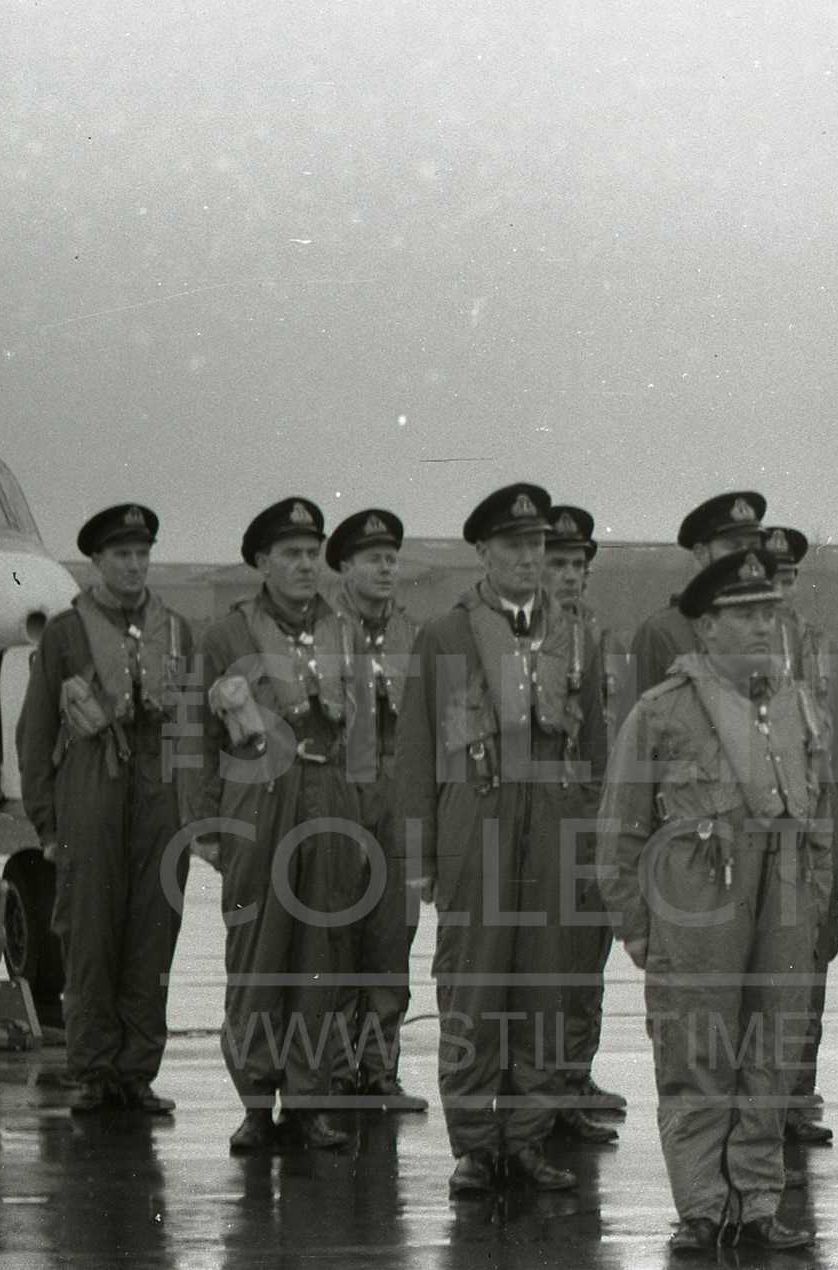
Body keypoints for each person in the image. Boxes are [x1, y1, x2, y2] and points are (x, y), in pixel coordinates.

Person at [599, 547, 832, 1254]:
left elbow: (823, 817)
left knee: (773, 1050)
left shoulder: (800, 709)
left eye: (769, 612)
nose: (764, 625)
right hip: (698, 912)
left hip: (783, 908)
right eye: (744, 615)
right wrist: (636, 929)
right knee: (697, 1052)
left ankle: (759, 1203)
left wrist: (815, 901)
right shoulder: (661, 712)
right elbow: (620, 829)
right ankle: (703, 1206)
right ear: (706, 628)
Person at [395, 483, 592, 1197]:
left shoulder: (576, 635)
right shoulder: (445, 637)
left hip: (552, 825)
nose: (528, 558)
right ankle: (477, 1146)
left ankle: (530, 1140)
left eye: (538, 545)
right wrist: (417, 856)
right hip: (472, 823)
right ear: (482, 552)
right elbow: (415, 753)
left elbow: (594, 746)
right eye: (513, 546)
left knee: (547, 987)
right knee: (473, 988)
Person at [195, 497, 362, 1155]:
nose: (303, 566)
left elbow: (369, 729)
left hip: (329, 796)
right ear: (262, 562)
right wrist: (205, 826)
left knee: (323, 955)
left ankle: (312, 1100)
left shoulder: (343, 631)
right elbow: (194, 738)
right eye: (289, 554)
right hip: (257, 804)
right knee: (258, 957)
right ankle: (258, 1103)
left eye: (310, 554)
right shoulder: (226, 636)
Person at [18, 504, 196, 1115]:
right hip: (91, 786)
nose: (134, 565)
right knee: (90, 932)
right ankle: (95, 1072)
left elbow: (193, 728)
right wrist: (46, 820)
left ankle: (137, 1072)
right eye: (122, 554)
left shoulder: (175, 630)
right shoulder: (67, 634)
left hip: (158, 792)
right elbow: (36, 728)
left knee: (154, 931)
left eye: (142, 554)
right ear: (97, 561)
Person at [321, 508, 427, 1113]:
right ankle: (335, 1074)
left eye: (392, 558)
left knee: (391, 938)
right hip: (339, 790)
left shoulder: (416, 635)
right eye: (373, 559)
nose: (386, 569)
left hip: (398, 797)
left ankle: (378, 1069)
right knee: (335, 935)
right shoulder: (321, 633)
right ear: (346, 567)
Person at [537, 501, 625, 1135]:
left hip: (590, 810)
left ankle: (574, 1073)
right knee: (544, 956)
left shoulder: (596, 635)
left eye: (578, 565)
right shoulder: (520, 638)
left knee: (586, 952)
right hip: (537, 812)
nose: (569, 575)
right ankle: (542, 1090)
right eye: (557, 564)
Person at [761, 525, 838, 1147]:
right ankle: (758, 1103)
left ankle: (797, 1096)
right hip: (758, 829)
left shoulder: (822, 650)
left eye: (787, 577)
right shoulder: (733, 651)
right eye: (768, 576)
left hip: (815, 832)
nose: (778, 588)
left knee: (811, 962)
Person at [627, 491, 767, 697]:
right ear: (701, 554)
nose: (746, 557)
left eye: (754, 547)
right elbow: (636, 721)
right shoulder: (660, 632)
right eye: (734, 547)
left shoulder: (767, 627)